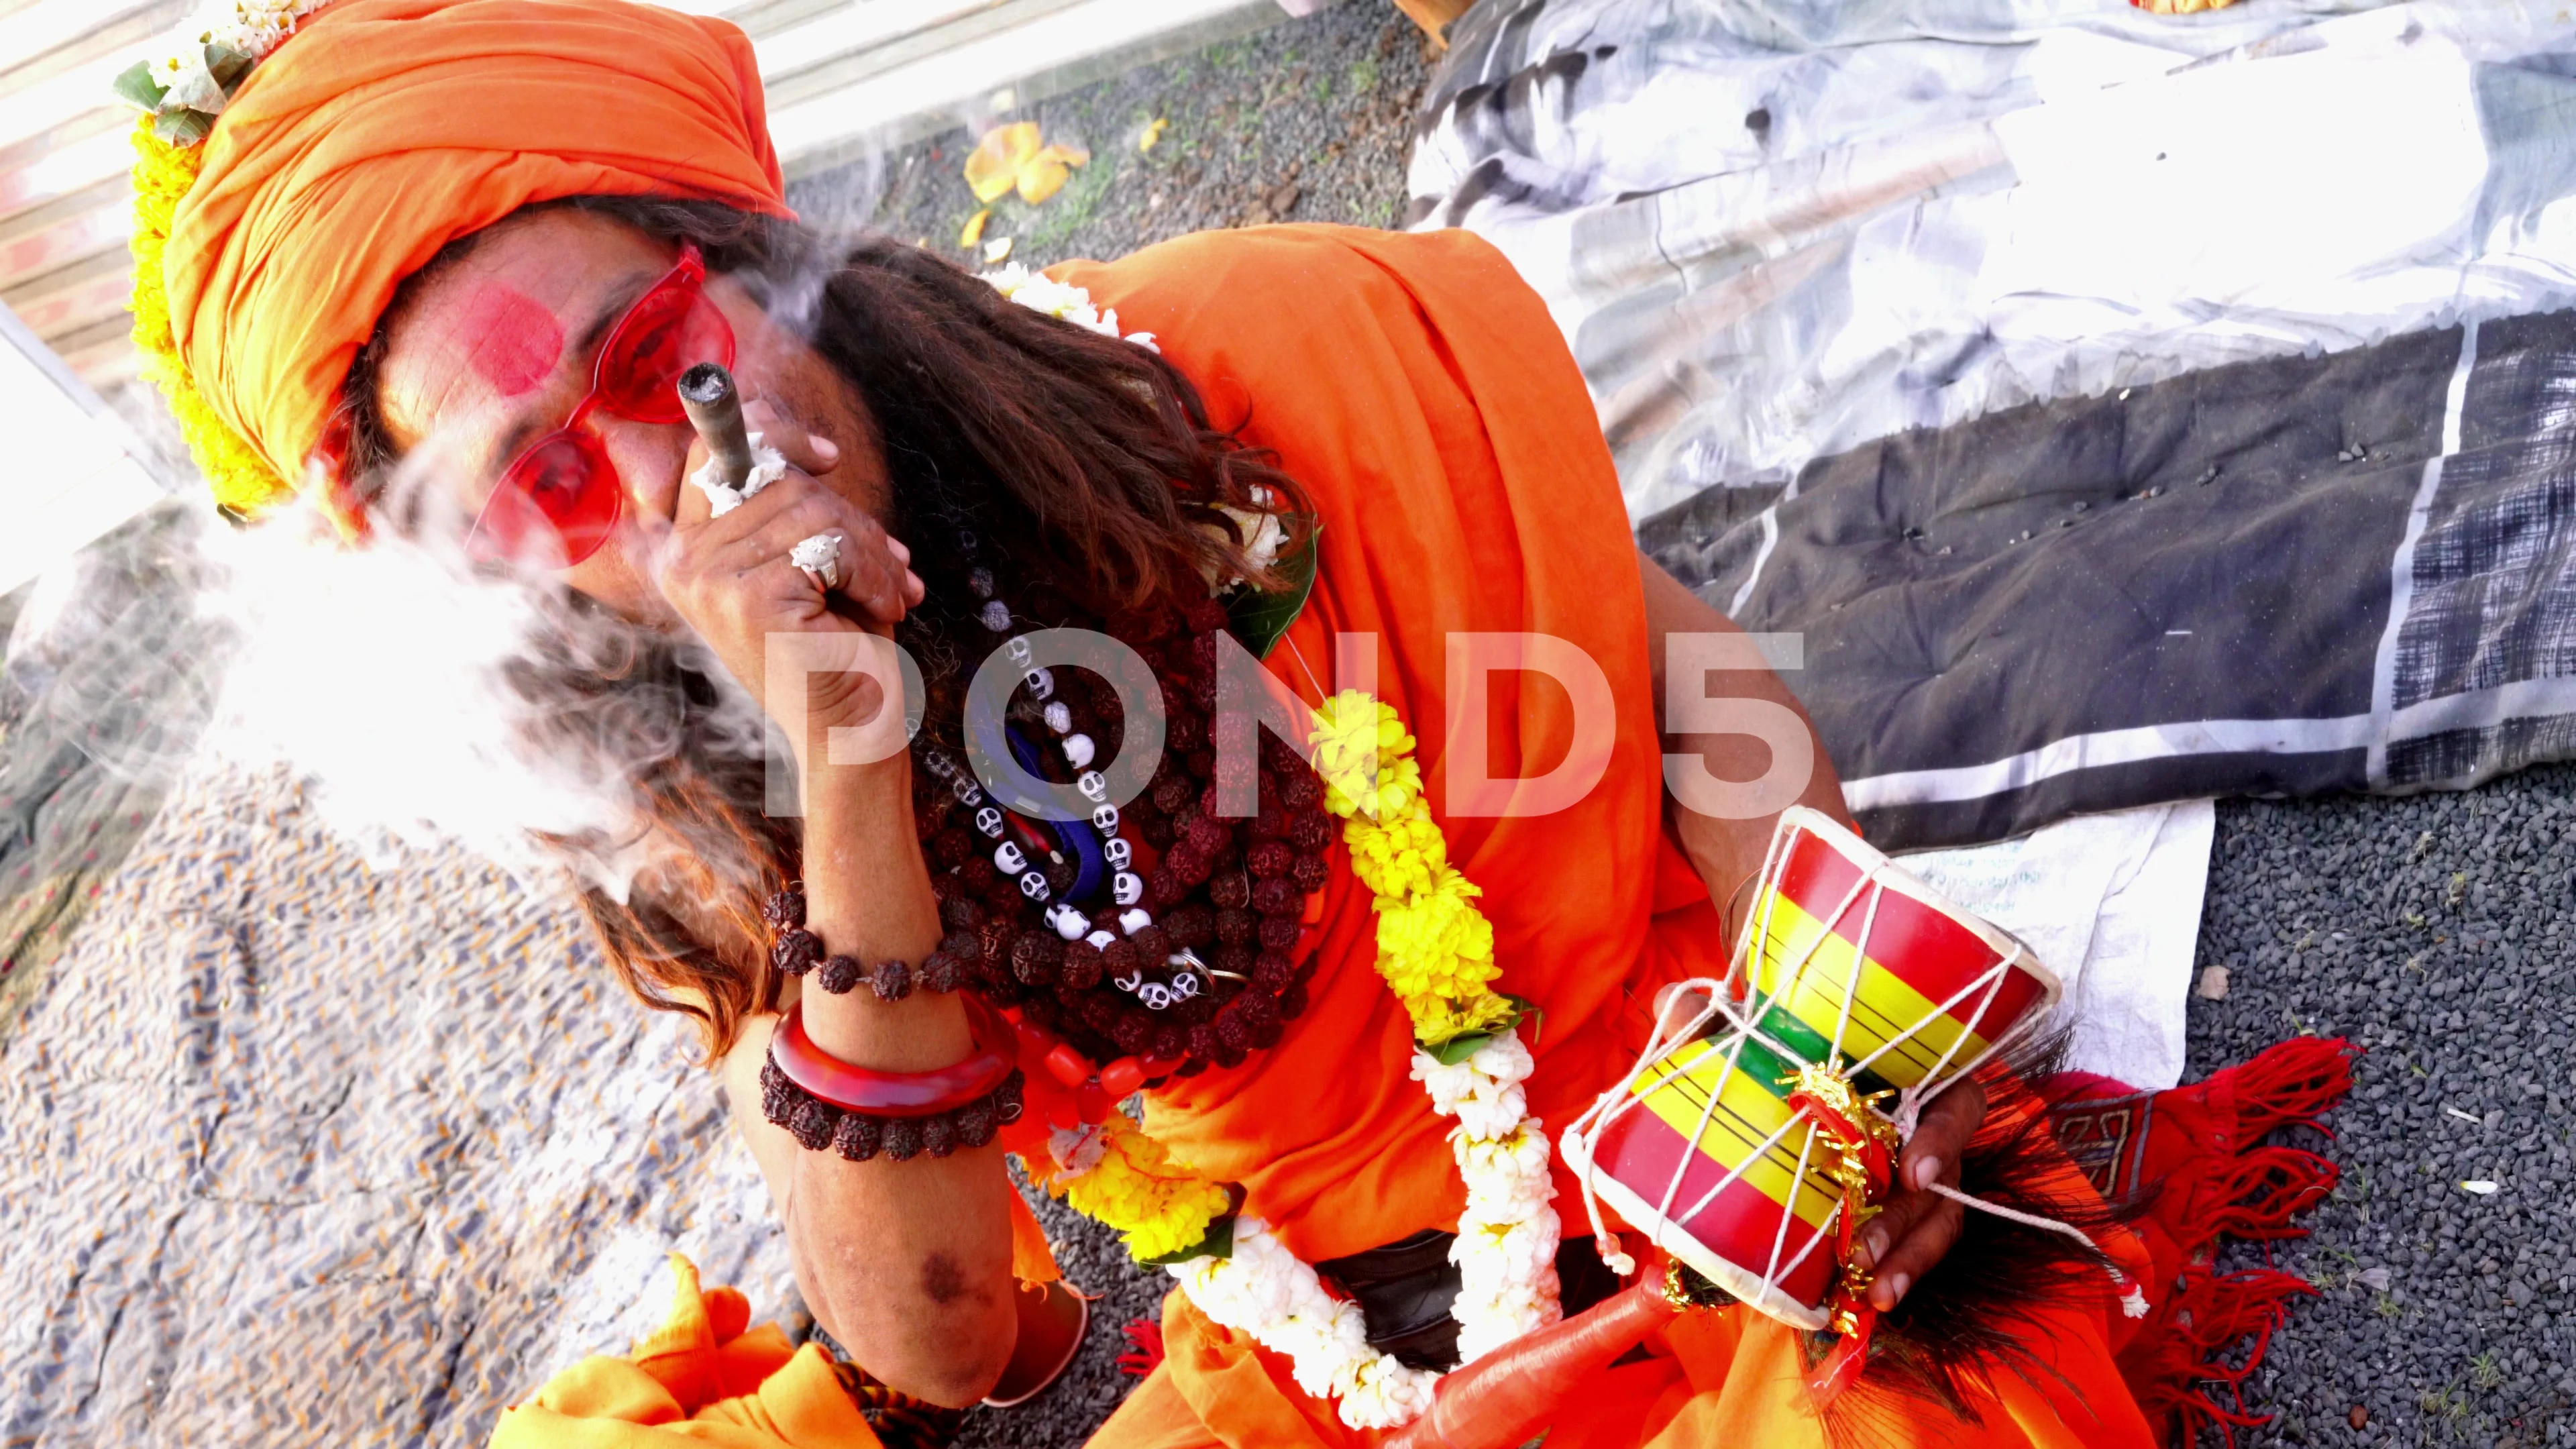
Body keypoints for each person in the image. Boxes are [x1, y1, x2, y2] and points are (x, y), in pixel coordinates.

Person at [130, 1, 2345, 1446]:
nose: (657, 487)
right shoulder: (682, 769)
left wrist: (1839, 1063)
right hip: (1321, 1336)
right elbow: (931, 1345)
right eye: (541, 475)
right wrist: (848, 772)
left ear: (757, 260)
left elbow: (1689, 684)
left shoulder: (1229, 368)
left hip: (1675, 1137)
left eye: (657, 362)